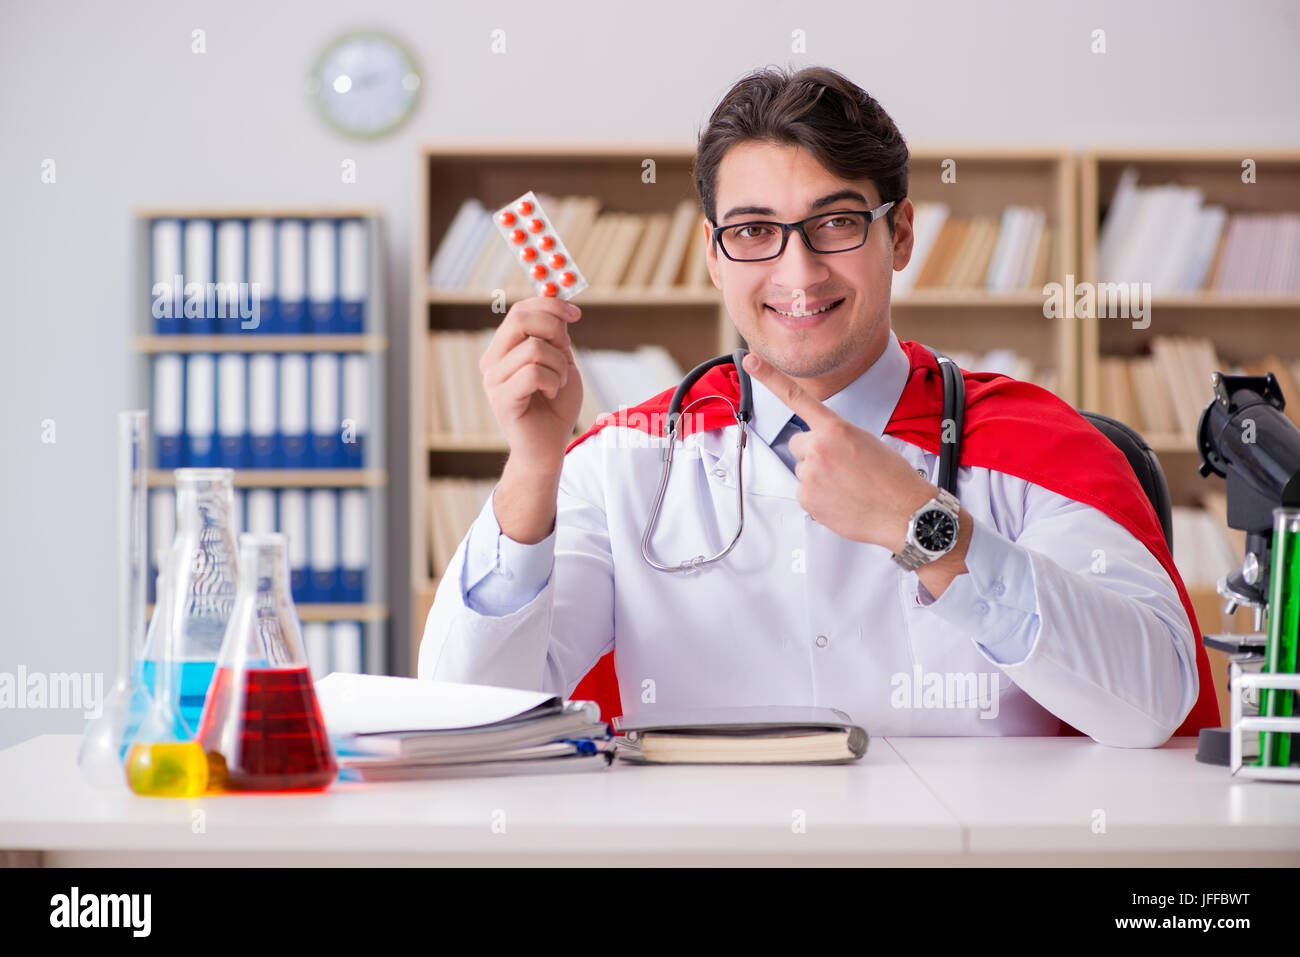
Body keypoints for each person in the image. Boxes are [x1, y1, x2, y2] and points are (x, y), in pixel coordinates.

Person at [419, 64, 1219, 746]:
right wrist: (531, 466)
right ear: (712, 254)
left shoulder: (1034, 442)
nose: (798, 275)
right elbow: (467, 709)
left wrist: (929, 530)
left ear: (899, 234)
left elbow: (1154, 702)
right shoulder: (621, 461)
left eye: (835, 223)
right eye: (755, 231)